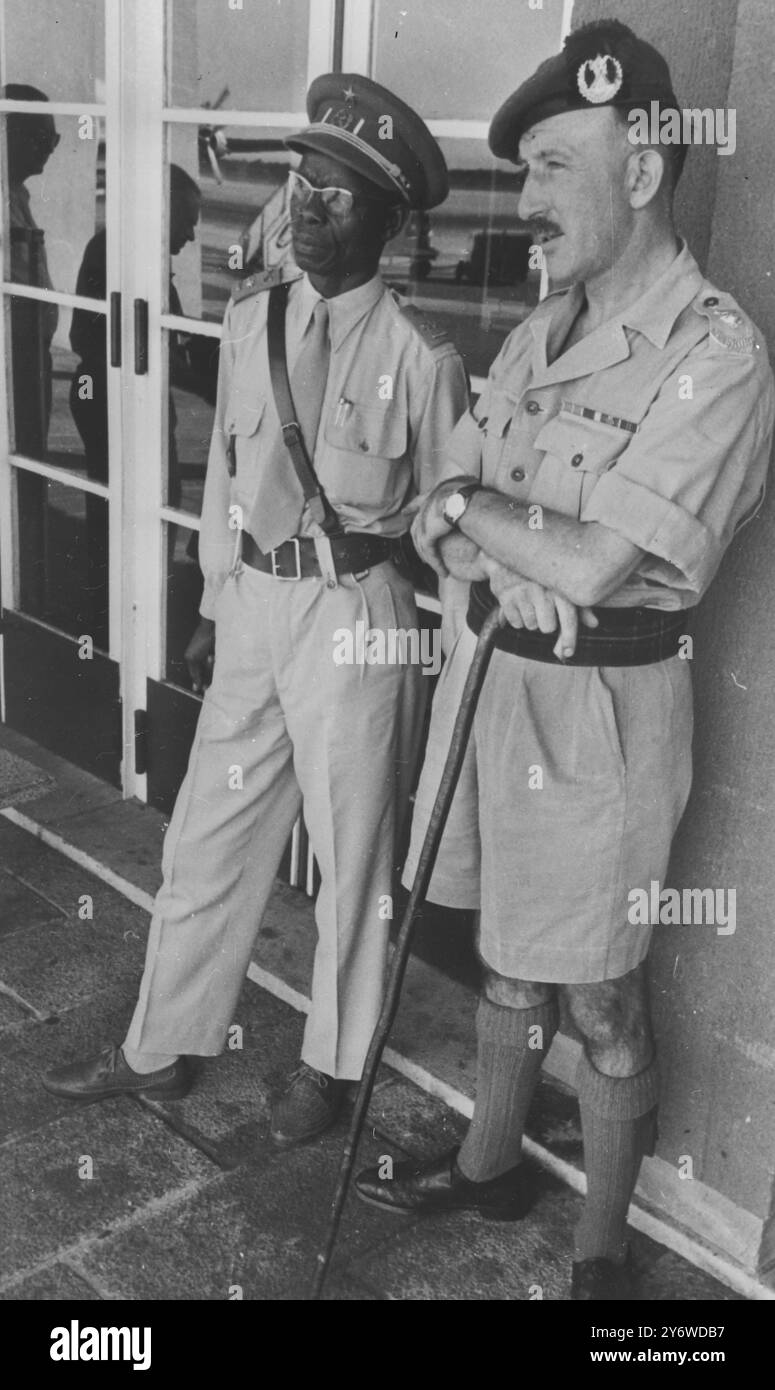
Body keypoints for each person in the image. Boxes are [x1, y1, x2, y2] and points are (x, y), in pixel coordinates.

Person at [355, 20, 775, 1300]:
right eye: (524, 167)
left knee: (598, 993)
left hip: (602, 717)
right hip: (496, 680)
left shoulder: (716, 355)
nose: (524, 199)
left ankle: (599, 1251)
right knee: (504, 950)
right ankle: (491, 1166)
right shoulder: (542, 330)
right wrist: (475, 534)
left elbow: (591, 561)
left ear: (642, 173)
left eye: (550, 166)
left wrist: (473, 524)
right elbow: (454, 501)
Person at [43, 74, 468, 1149]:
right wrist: (206, 597)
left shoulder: (423, 361)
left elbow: (445, 534)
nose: (310, 209)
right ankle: (164, 1045)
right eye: (301, 183)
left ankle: (331, 1065)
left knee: (351, 856)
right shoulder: (250, 322)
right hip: (255, 612)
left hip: (356, 620)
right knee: (204, 835)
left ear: (388, 218)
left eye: (339, 196)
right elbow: (226, 479)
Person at [70, 164, 213, 637]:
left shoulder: (130, 251)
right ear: (161, 211)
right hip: (112, 407)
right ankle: (116, 625)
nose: (191, 237)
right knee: (123, 523)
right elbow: (88, 336)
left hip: (127, 404)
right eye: (186, 221)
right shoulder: (117, 251)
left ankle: (119, 619)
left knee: (134, 516)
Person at [5, 83, 59, 458]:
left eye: (53, 138)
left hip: (31, 358)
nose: (50, 148)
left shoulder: (16, 194)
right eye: (42, 137)